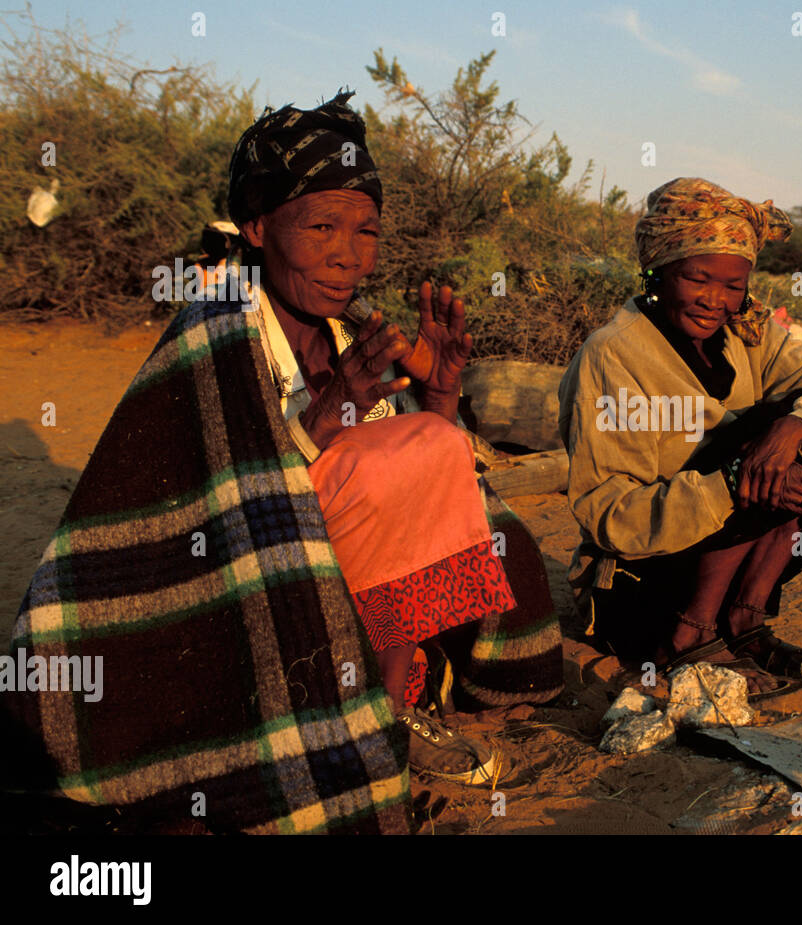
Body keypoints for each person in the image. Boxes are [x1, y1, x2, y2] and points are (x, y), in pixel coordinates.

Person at [2, 92, 560, 834]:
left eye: (365, 231)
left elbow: (417, 485)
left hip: (340, 568)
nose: (347, 253)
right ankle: (350, 720)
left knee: (431, 445)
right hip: (230, 571)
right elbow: (207, 500)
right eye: (321, 226)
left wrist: (442, 392)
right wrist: (318, 428)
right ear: (260, 227)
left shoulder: (350, 329)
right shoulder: (219, 329)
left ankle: (384, 713)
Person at [558, 177, 802, 699]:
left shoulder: (748, 336)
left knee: (800, 427)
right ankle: (687, 636)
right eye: (698, 280)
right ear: (658, 270)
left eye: (733, 286)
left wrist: (799, 428)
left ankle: (743, 622)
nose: (716, 302)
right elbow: (608, 513)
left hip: (721, 575)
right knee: (749, 443)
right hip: (638, 590)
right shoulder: (613, 355)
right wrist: (729, 483)